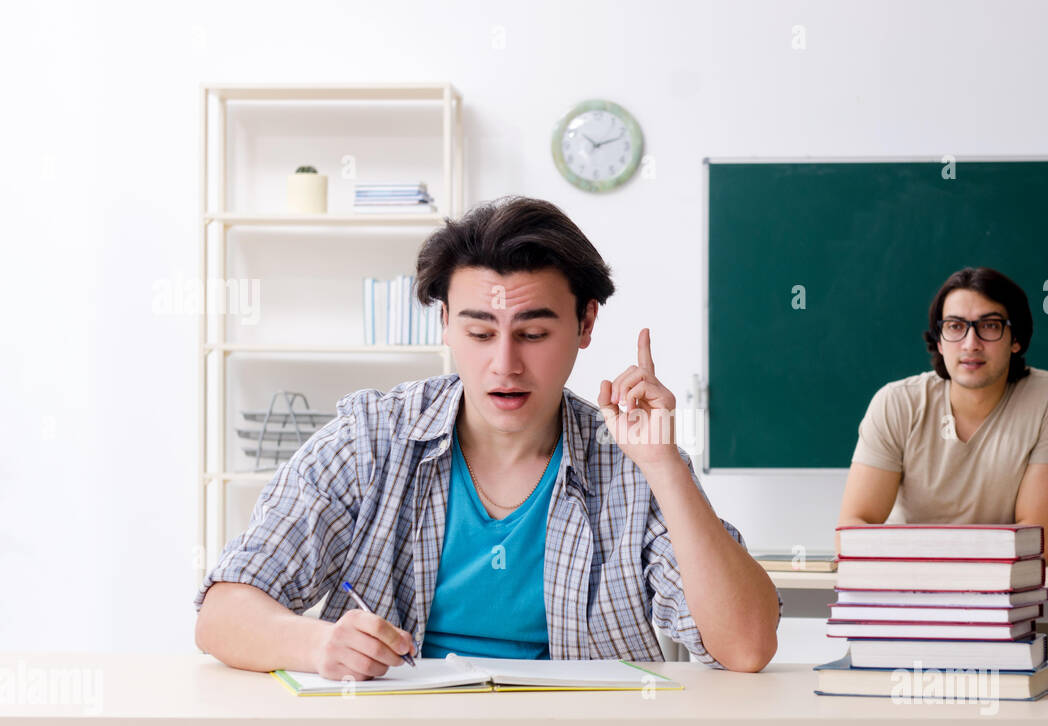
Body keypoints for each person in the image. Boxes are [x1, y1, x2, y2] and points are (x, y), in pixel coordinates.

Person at [195, 195, 780, 678]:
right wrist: (316, 646)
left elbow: (747, 646)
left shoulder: (629, 459)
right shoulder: (370, 440)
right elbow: (222, 614)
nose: (505, 364)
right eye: (480, 332)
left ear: (586, 324)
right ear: (445, 322)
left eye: (532, 333)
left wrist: (665, 466)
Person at [835, 266, 1048, 726]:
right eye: (955, 327)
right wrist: (933, 579)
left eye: (989, 326)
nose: (971, 343)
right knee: (848, 670)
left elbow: (1030, 542)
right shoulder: (897, 403)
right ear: (938, 339)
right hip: (913, 608)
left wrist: (923, 559)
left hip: (1010, 611)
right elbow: (856, 529)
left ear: (1017, 338)